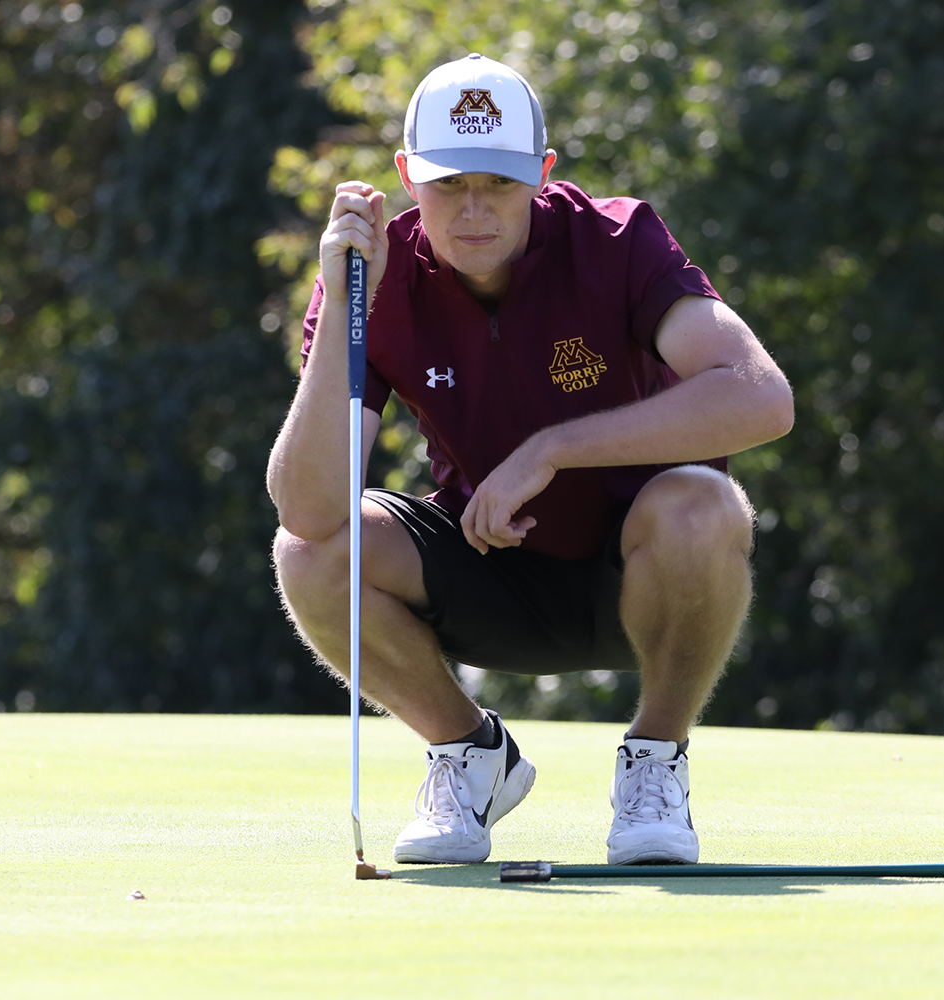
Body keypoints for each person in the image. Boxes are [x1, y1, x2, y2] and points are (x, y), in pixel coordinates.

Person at [267, 53, 792, 866]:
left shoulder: (615, 241)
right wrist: (342, 305)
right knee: (309, 552)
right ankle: (469, 754)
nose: (474, 209)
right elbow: (309, 509)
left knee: (706, 505)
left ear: (542, 175)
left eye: (500, 184)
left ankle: (656, 760)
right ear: (407, 177)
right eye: (449, 184)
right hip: (487, 575)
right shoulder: (373, 276)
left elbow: (761, 397)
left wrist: (552, 450)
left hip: (642, 579)